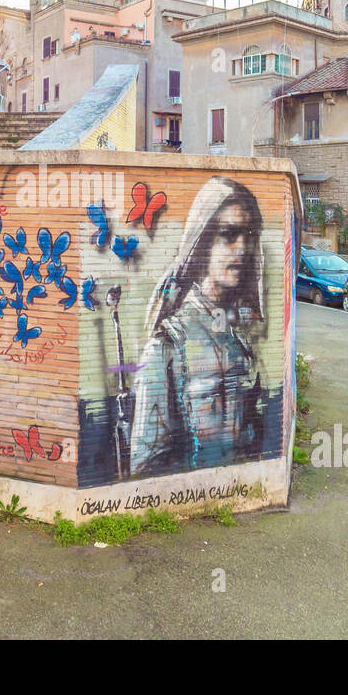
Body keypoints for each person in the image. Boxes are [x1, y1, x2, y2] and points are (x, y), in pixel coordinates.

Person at [129, 177, 269, 477]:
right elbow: (146, 464)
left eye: (248, 235)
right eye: (229, 234)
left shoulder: (239, 339)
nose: (242, 248)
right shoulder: (167, 346)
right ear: (203, 242)